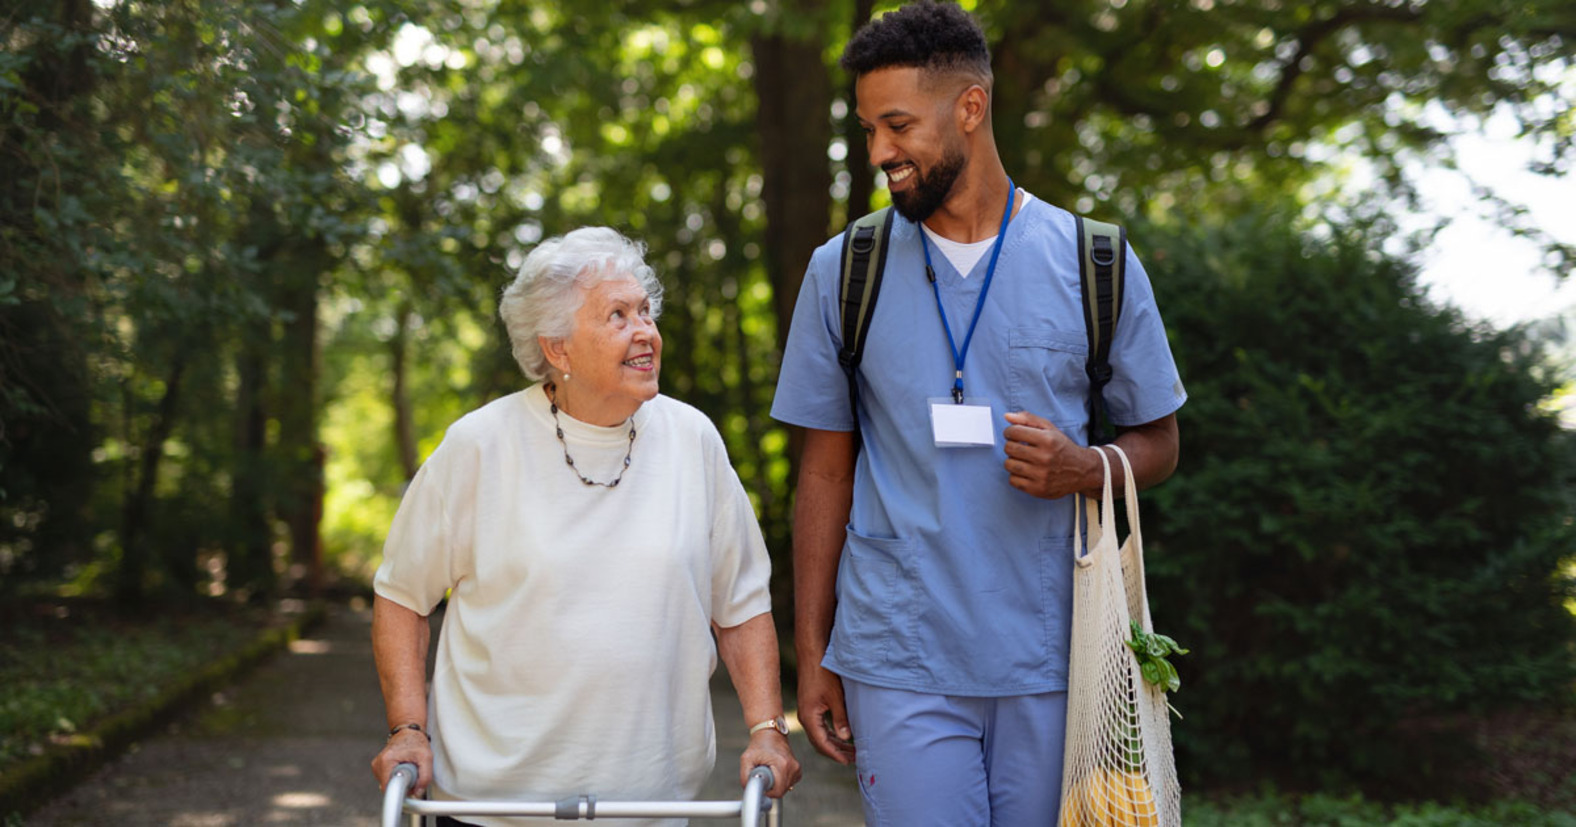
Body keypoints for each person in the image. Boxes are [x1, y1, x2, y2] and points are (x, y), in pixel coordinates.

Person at [771, 3, 1186, 824]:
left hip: (1055, 657)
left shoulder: (1093, 260)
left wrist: (1085, 466)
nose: (878, 152)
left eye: (896, 125)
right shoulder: (842, 271)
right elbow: (823, 470)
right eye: (867, 130)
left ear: (970, 107)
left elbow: (1160, 442)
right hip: (898, 653)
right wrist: (813, 654)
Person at [370, 227, 800, 827]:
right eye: (618, 316)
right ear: (558, 349)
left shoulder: (692, 439)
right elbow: (401, 596)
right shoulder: (479, 447)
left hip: (651, 804)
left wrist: (767, 729)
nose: (646, 331)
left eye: (645, 312)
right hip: (494, 808)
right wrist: (408, 729)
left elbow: (742, 602)